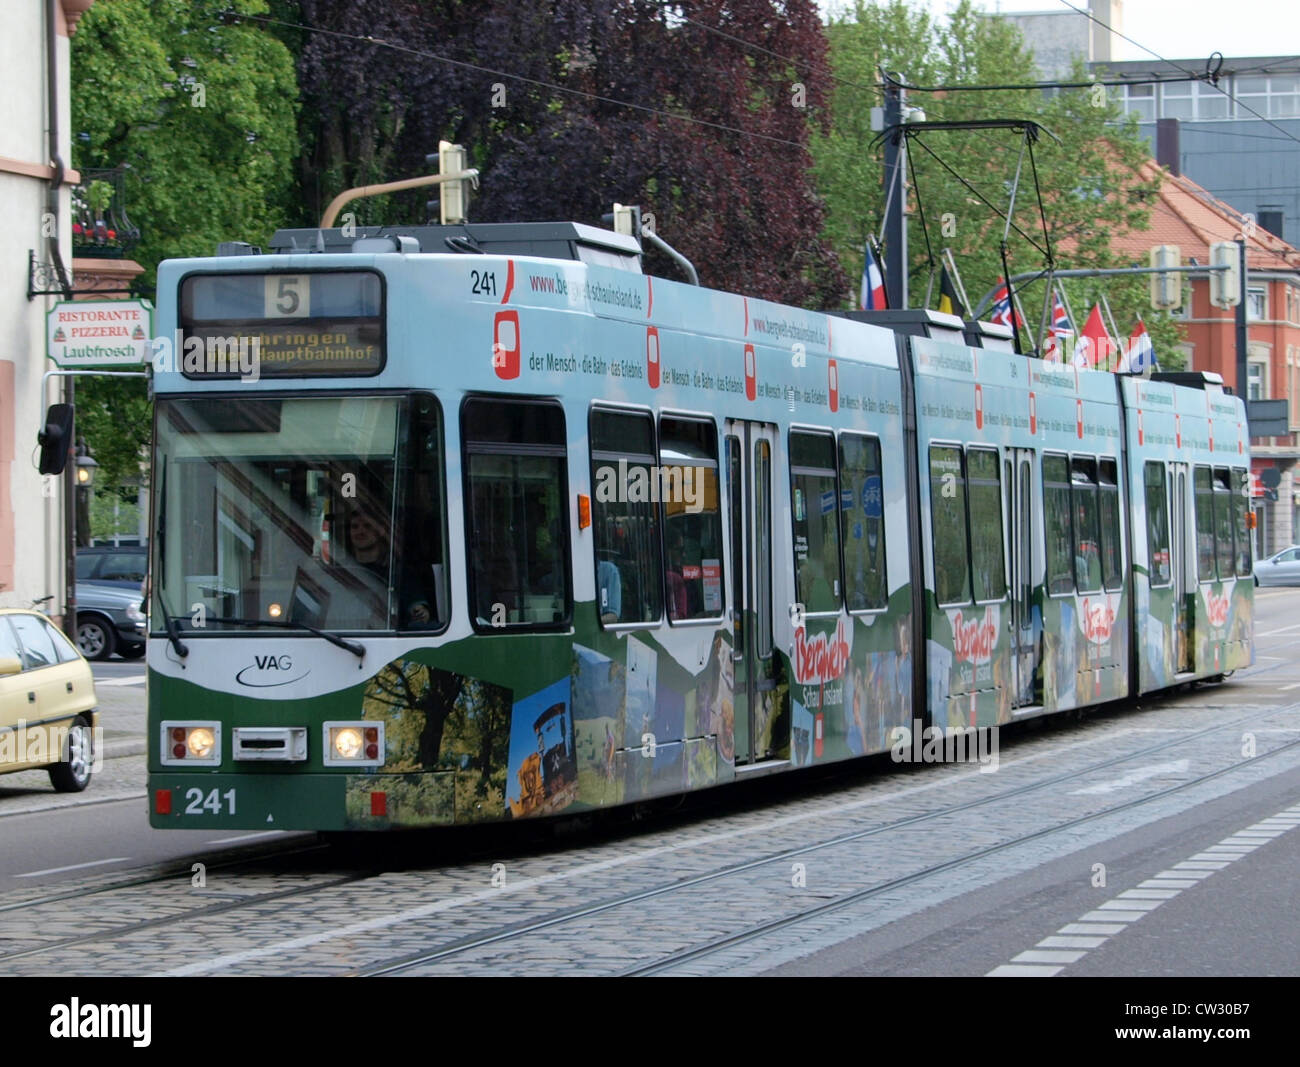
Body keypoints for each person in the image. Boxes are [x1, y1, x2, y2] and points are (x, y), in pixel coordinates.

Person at [345, 508, 434, 628]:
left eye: (367, 526)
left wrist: (419, 612)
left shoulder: (399, 573)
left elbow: (419, 611)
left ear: (381, 530)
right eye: (354, 527)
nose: (360, 531)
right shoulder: (343, 570)